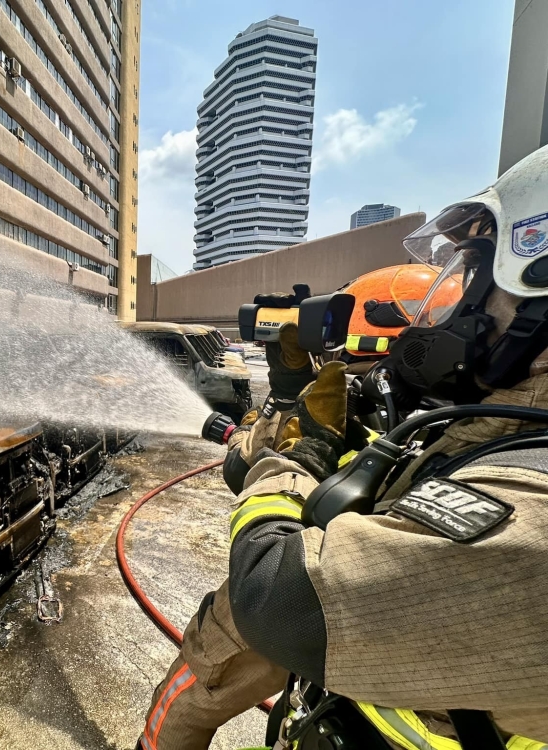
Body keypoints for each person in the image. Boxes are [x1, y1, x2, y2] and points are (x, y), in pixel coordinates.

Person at [140, 144, 548, 749]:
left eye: (475, 281)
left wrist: (296, 456)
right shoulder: (472, 429)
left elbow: (274, 598)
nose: (454, 313)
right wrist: (289, 400)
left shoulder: (524, 498)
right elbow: (246, 463)